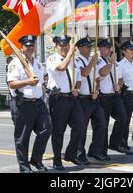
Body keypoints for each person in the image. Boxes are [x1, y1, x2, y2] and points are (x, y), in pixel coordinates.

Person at [7, 35, 52, 173]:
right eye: (27, 46)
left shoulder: (37, 64)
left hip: (38, 102)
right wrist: (28, 81)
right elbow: (12, 84)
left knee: (47, 129)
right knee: (23, 138)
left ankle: (36, 159)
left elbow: (39, 83)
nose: (30, 48)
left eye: (32, 45)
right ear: (21, 47)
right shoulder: (15, 63)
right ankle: (24, 166)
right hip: (22, 103)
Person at [46, 35, 84, 170]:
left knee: (80, 125)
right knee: (58, 131)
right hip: (58, 98)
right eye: (61, 45)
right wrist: (70, 54)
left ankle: (70, 154)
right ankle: (57, 160)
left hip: (72, 98)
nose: (64, 47)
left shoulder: (74, 59)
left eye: (66, 45)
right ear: (56, 46)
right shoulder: (52, 58)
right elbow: (61, 68)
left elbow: (79, 78)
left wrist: (77, 88)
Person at [75, 37, 107, 164]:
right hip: (83, 98)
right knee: (82, 127)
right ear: (80, 48)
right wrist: (92, 62)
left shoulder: (91, 60)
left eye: (90, 47)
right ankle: (79, 153)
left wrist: (97, 90)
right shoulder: (77, 60)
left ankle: (95, 150)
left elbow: (97, 79)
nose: (90, 49)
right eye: (88, 47)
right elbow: (83, 73)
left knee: (102, 124)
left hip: (94, 97)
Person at [96, 38, 128, 159]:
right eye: (106, 47)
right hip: (103, 96)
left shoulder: (114, 61)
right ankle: (101, 151)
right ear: (100, 48)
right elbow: (102, 73)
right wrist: (110, 63)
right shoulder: (98, 61)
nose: (109, 49)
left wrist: (119, 85)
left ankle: (114, 142)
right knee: (103, 124)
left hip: (114, 96)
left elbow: (120, 76)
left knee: (123, 118)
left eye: (110, 47)